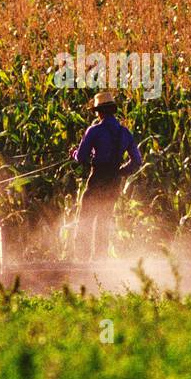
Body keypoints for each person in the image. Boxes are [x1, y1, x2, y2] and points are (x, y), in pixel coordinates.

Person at [70, 91, 143, 259]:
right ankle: (100, 259)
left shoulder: (94, 131)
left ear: (99, 112)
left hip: (97, 178)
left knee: (86, 217)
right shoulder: (125, 133)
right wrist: (120, 172)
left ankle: (82, 259)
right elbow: (137, 161)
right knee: (104, 219)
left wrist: (73, 153)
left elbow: (81, 157)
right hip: (113, 180)